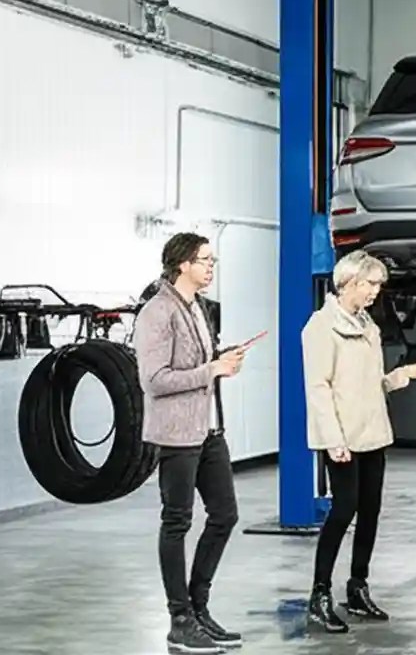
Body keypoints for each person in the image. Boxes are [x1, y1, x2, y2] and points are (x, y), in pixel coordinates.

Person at [301, 249, 416, 633]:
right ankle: (319, 594)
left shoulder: (367, 326)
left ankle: (357, 588)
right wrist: (333, 439)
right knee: (342, 511)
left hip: (372, 435)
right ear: (348, 282)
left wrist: (407, 374)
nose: (375, 292)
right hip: (343, 438)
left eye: (379, 285)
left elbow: (372, 384)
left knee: (370, 512)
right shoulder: (320, 328)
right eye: (371, 284)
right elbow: (318, 389)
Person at [136, 232, 252, 654]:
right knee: (177, 521)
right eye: (205, 259)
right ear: (182, 263)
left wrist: (222, 364)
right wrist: (211, 370)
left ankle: (199, 607)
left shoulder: (199, 309)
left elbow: (202, 366)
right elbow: (153, 380)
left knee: (224, 515)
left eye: (213, 260)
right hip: (177, 434)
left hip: (209, 431)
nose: (211, 266)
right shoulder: (157, 311)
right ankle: (179, 619)